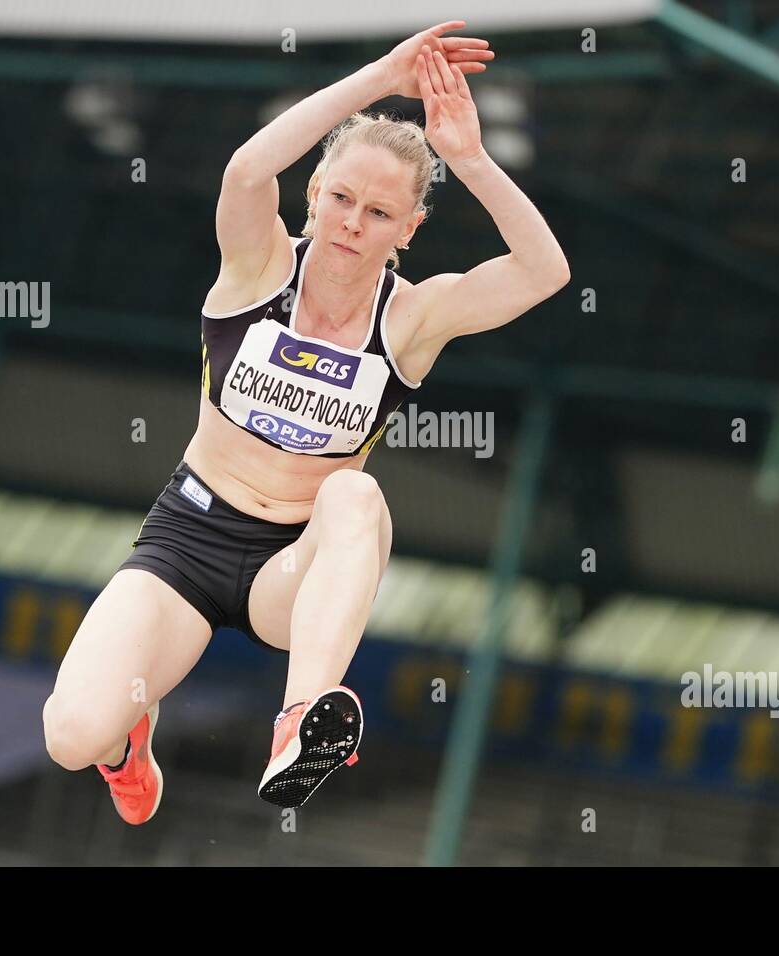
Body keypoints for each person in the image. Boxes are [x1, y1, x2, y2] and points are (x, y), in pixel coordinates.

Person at [42, 19, 570, 821]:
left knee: (355, 497)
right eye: (343, 198)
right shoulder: (257, 268)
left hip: (293, 568)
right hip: (186, 538)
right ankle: (125, 745)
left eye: (380, 214)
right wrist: (379, 78)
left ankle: (300, 721)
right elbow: (248, 168)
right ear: (315, 195)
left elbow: (545, 271)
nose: (355, 223)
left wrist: (470, 158)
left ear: (408, 232)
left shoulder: (411, 321)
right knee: (70, 734)